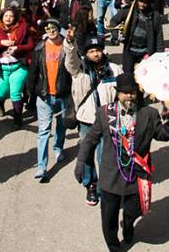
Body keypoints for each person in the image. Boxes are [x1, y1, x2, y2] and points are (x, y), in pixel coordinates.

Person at [74, 74, 169, 252]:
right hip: (111, 175)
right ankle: (114, 246)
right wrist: (81, 161)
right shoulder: (105, 113)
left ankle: (129, 225)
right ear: (118, 93)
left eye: (132, 93)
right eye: (125, 93)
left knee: (133, 211)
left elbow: (162, 135)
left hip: (136, 175)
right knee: (109, 217)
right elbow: (90, 139)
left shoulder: (148, 114)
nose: (129, 96)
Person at [65, 31, 121, 206]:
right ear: (86, 54)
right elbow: (70, 60)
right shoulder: (80, 70)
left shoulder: (114, 69)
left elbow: (123, 92)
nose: (95, 54)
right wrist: (69, 42)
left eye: (98, 50)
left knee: (105, 156)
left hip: (108, 120)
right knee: (87, 154)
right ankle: (90, 184)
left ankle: (105, 187)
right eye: (91, 51)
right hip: (87, 120)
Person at [25, 19, 71, 182]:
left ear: (59, 29)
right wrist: (30, 93)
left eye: (54, 28)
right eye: (48, 28)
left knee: (61, 125)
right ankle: (41, 167)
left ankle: (58, 148)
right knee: (43, 131)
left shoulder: (67, 46)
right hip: (44, 95)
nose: (51, 31)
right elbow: (33, 72)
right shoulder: (39, 48)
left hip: (63, 94)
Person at [0, 6, 35, 128]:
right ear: (2, 17)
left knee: (15, 93)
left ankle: (18, 120)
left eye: (11, 16)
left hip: (18, 66)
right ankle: (0, 103)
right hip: (2, 68)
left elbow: (30, 45)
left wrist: (18, 48)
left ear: (15, 18)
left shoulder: (22, 30)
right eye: (6, 16)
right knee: (1, 93)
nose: (8, 18)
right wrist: (0, 43)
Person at [112, 0, 163, 75]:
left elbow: (159, 35)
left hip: (146, 52)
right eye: (140, 2)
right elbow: (113, 21)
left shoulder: (155, 16)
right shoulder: (129, 10)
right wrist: (116, 35)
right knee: (128, 74)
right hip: (130, 50)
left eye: (145, 3)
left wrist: (160, 54)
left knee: (144, 76)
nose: (142, 5)